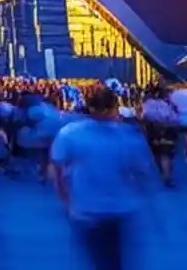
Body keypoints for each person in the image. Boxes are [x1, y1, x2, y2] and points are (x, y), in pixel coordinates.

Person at [52, 85, 157, 270]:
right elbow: (143, 171)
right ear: (115, 106)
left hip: (87, 209)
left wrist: (66, 200)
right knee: (117, 261)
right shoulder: (129, 136)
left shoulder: (70, 133)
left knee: (100, 260)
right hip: (123, 208)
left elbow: (57, 167)